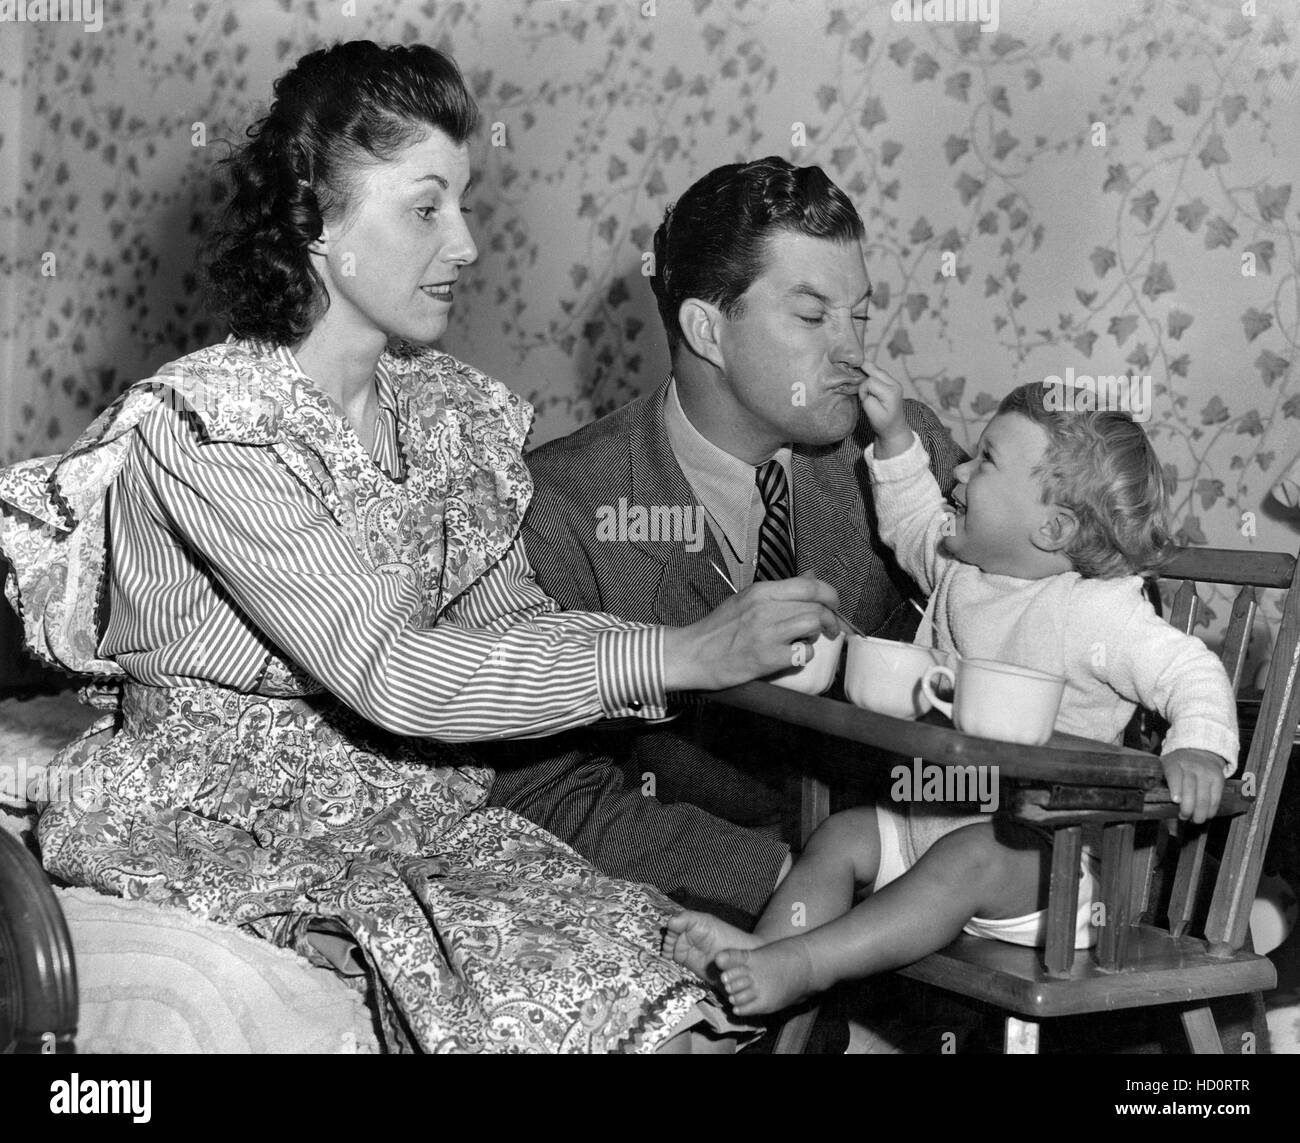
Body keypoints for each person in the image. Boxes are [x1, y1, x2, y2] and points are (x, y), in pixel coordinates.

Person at [0, 41, 846, 1054]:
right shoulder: (208, 427)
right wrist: (679, 653)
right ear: (315, 217)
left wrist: (671, 651)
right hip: (224, 816)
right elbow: (392, 668)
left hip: (420, 812)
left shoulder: (452, 417)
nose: (468, 244)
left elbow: (513, 623)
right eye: (426, 206)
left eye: (465, 203)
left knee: (682, 1022)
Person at [664, 373, 1239, 1015]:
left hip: (1048, 865)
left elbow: (1190, 670)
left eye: (986, 460)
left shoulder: (1096, 612)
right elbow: (911, 521)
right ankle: (765, 950)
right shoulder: (965, 574)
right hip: (937, 821)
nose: (959, 471)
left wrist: (1199, 750)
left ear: (1051, 528)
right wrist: (894, 438)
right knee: (842, 838)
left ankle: (806, 963)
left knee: (972, 854)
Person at [486, 157, 966, 925]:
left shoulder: (902, 456)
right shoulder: (560, 507)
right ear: (707, 329)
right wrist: (798, 880)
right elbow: (541, 796)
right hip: (687, 916)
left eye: (861, 315)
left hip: (924, 906)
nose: (853, 353)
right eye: (813, 317)